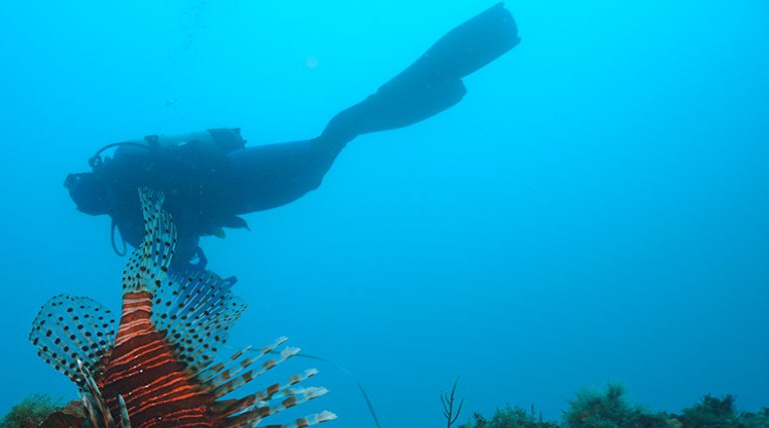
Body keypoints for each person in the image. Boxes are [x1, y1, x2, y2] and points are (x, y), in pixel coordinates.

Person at [64, 3, 519, 272]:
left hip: (254, 184)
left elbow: (181, 245)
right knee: (338, 136)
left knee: (338, 137)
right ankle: (455, 67)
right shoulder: (129, 201)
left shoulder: (130, 190)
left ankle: (455, 67)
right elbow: (182, 254)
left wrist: (193, 269)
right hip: (250, 183)